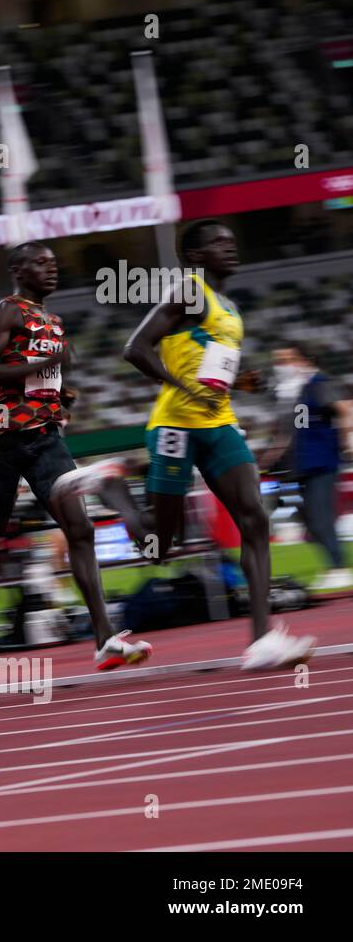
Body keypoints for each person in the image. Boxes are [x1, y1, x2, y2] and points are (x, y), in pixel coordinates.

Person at [0, 242, 154, 671]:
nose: (51, 270)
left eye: (54, 264)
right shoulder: (7, 312)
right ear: (19, 272)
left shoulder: (53, 321)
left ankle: (105, 639)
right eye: (40, 264)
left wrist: (63, 397)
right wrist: (40, 368)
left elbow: (46, 378)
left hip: (44, 438)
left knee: (80, 530)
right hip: (5, 440)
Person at [121, 221, 316, 669]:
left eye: (232, 240)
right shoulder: (188, 292)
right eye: (217, 243)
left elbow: (210, 366)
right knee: (162, 545)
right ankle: (114, 489)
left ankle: (262, 638)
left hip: (219, 423)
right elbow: (136, 348)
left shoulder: (227, 306)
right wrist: (183, 388)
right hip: (174, 424)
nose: (229, 248)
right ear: (194, 256)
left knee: (255, 518)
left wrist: (241, 381)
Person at [260, 344, 351, 592]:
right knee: (308, 524)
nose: (282, 365)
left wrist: (346, 441)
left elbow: (345, 409)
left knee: (321, 519)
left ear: (302, 360)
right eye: (279, 359)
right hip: (299, 466)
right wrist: (268, 459)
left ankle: (339, 568)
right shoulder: (291, 395)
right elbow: (289, 433)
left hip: (321, 463)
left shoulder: (318, 384)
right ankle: (334, 566)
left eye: (288, 359)